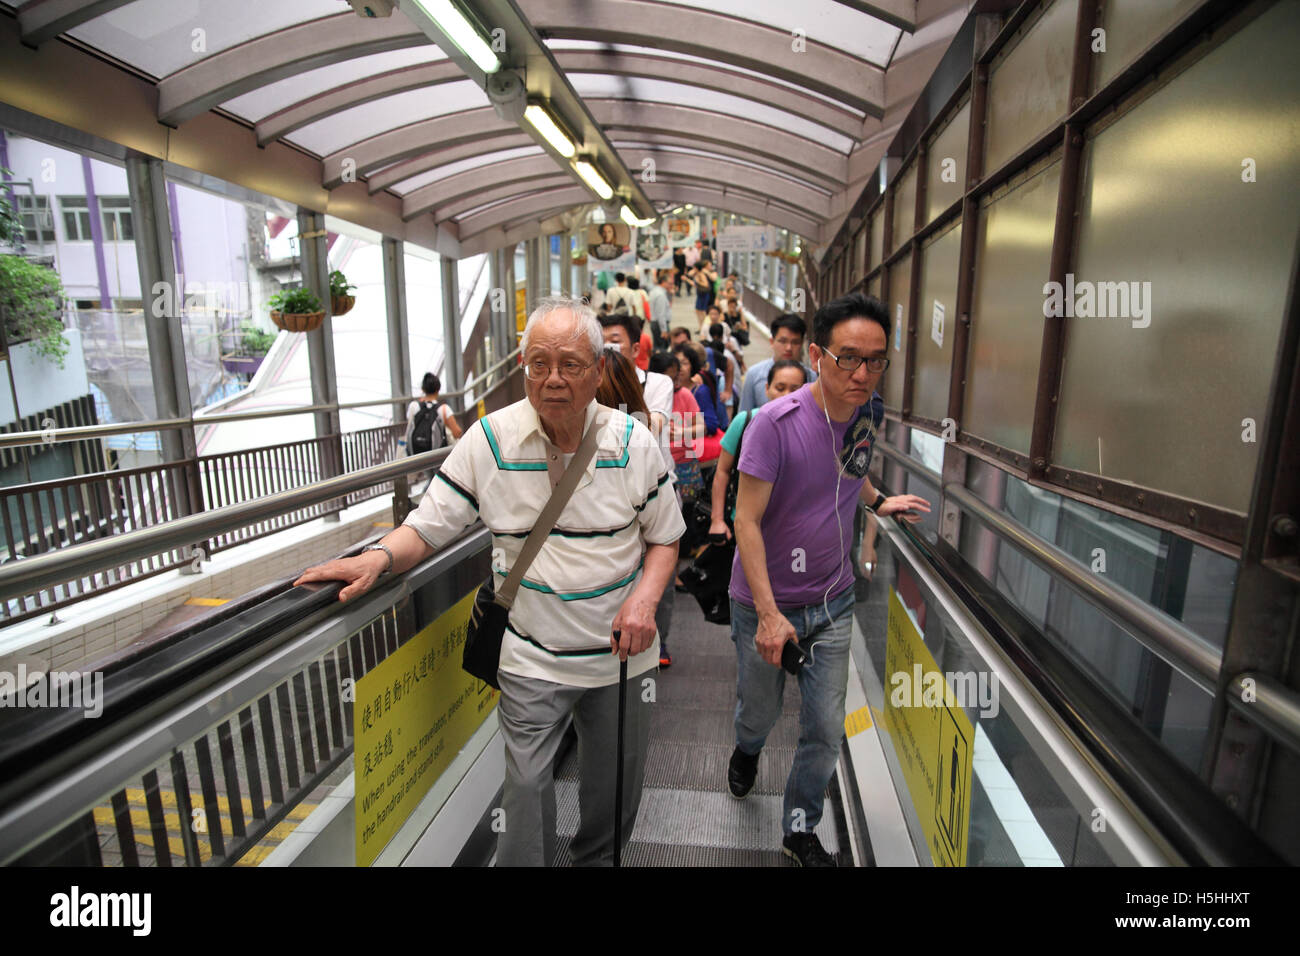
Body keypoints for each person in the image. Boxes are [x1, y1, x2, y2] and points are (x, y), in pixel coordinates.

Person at [294, 297, 683, 867]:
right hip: (527, 656)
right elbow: (427, 527)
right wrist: (378, 556)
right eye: (537, 364)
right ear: (523, 367)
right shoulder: (489, 441)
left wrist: (645, 601)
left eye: (570, 365)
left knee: (614, 792)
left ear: (599, 371)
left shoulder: (633, 443)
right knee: (526, 789)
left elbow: (665, 538)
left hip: (618, 660)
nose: (552, 380)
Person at [726, 292, 931, 867]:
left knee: (823, 726)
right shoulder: (772, 426)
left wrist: (879, 501)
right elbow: (746, 519)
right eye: (848, 358)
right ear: (818, 355)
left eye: (876, 360)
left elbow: (852, 469)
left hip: (833, 601)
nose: (862, 373)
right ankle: (747, 749)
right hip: (768, 604)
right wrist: (769, 615)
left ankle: (799, 828)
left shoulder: (868, 412)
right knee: (760, 714)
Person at [599, 311, 678, 668]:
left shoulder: (658, 383)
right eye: (600, 339)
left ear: (636, 347)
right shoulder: (591, 378)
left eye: (613, 340)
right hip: (610, 492)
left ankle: (655, 638)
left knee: (660, 567)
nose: (605, 347)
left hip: (657, 489)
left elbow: (654, 424)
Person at [708, 360, 807, 542]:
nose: (786, 395)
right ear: (767, 388)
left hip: (793, 531)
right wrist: (717, 520)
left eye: (795, 389)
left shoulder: (812, 429)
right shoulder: (745, 421)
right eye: (780, 387)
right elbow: (722, 471)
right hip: (746, 527)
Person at [737, 313, 817, 414]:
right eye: (783, 341)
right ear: (772, 341)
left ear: (801, 344)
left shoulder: (811, 377)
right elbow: (744, 416)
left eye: (795, 342)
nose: (788, 348)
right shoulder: (754, 375)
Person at [674, 342, 726, 463]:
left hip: (689, 453)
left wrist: (683, 431)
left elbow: (711, 425)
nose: (680, 367)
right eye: (676, 363)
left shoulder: (700, 391)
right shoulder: (666, 391)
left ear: (693, 366)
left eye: (685, 363)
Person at [687, 258, 717, 331]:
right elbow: (689, 274)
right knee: (698, 311)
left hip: (705, 294)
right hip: (700, 294)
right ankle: (701, 327)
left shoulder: (703, 274)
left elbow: (706, 284)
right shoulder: (699, 273)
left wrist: (697, 281)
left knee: (703, 312)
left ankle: (705, 327)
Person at [648, 269, 674, 348]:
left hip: (656, 323)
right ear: (663, 282)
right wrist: (664, 330)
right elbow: (661, 314)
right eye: (670, 284)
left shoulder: (655, 291)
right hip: (660, 324)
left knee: (658, 346)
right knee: (662, 347)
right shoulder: (660, 295)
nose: (671, 286)